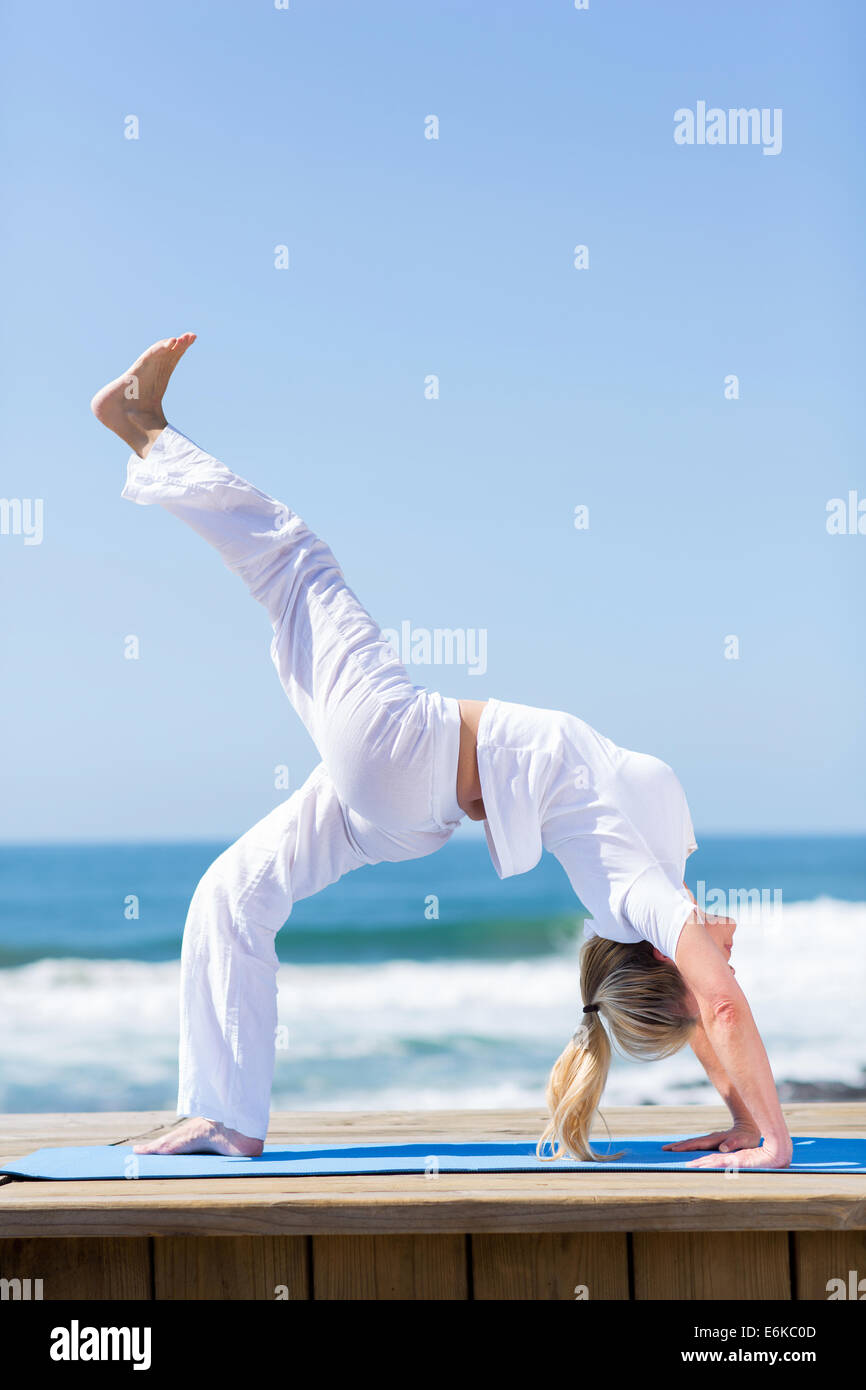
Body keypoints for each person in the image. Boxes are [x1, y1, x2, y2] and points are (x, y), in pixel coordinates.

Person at [90, 336, 793, 1170]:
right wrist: (745, 1122)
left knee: (297, 563)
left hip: (403, 750)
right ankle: (224, 1116)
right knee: (231, 896)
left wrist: (775, 1143)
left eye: (706, 968)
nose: (727, 954)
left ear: (669, 970)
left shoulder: (636, 897)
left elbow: (719, 1009)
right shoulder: (652, 882)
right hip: (406, 812)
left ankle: (141, 426)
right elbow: (706, 1014)